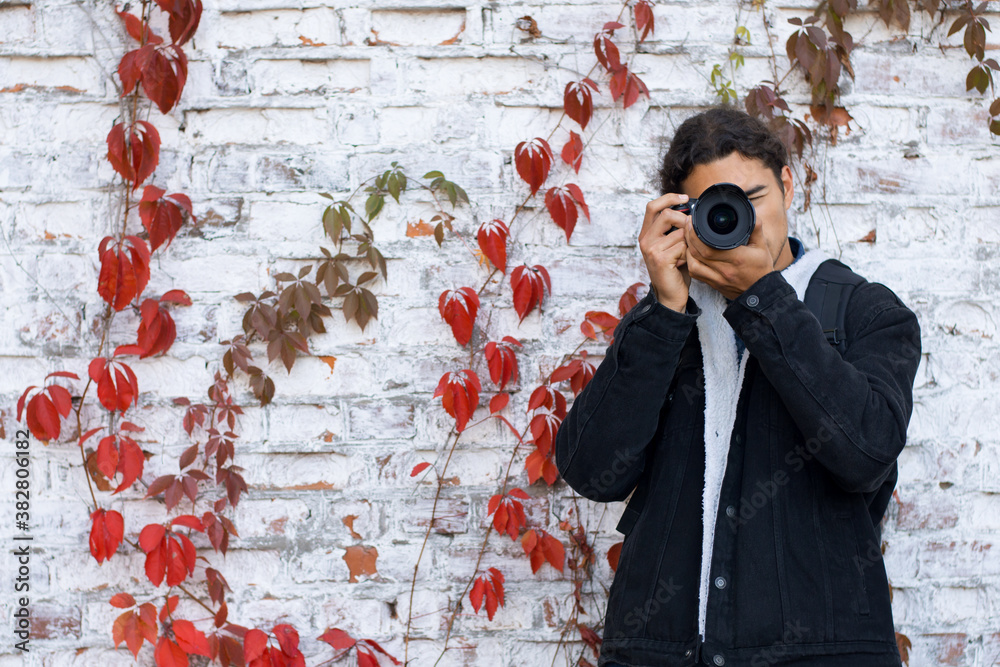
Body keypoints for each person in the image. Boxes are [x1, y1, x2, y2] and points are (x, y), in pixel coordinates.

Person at [554, 105, 921, 667]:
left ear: (788, 186)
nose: (741, 220)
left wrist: (763, 299)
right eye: (717, 207)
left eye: (752, 199)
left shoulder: (865, 312)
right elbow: (590, 470)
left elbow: (865, 454)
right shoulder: (662, 318)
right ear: (681, 214)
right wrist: (663, 315)